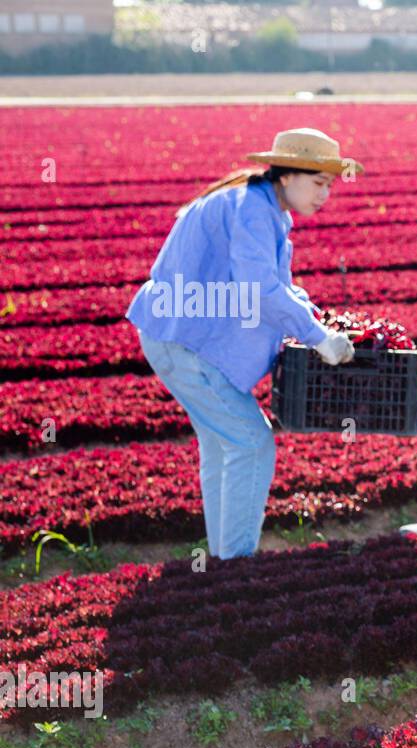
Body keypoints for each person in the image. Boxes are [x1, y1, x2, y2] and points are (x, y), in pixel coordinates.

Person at [124, 128, 364, 560]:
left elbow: (277, 287)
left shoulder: (263, 208)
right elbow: (259, 289)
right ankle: (235, 564)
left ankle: (224, 561)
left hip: (180, 336)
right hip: (184, 341)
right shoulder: (251, 208)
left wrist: (316, 322)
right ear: (287, 175)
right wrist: (317, 337)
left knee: (224, 444)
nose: (325, 195)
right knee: (251, 443)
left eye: (329, 185)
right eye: (318, 183)